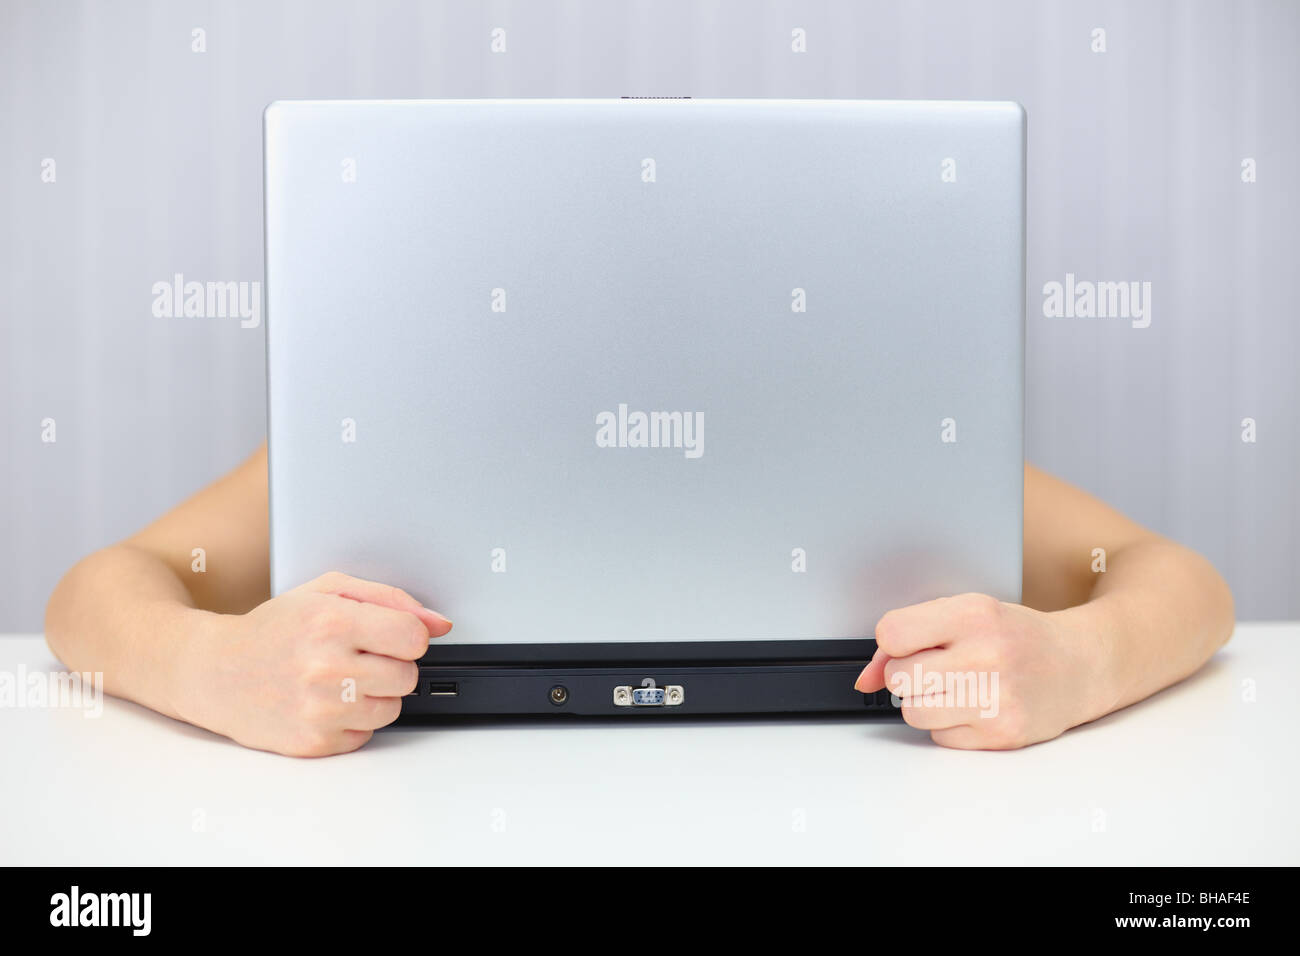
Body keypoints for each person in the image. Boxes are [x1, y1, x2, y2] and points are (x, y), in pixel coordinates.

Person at [44, 443, 1234, 756]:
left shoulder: (883, 435)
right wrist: (216, 668)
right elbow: (96, 593)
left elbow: (1179, 580)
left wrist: (1076, 663)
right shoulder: (378, 438)